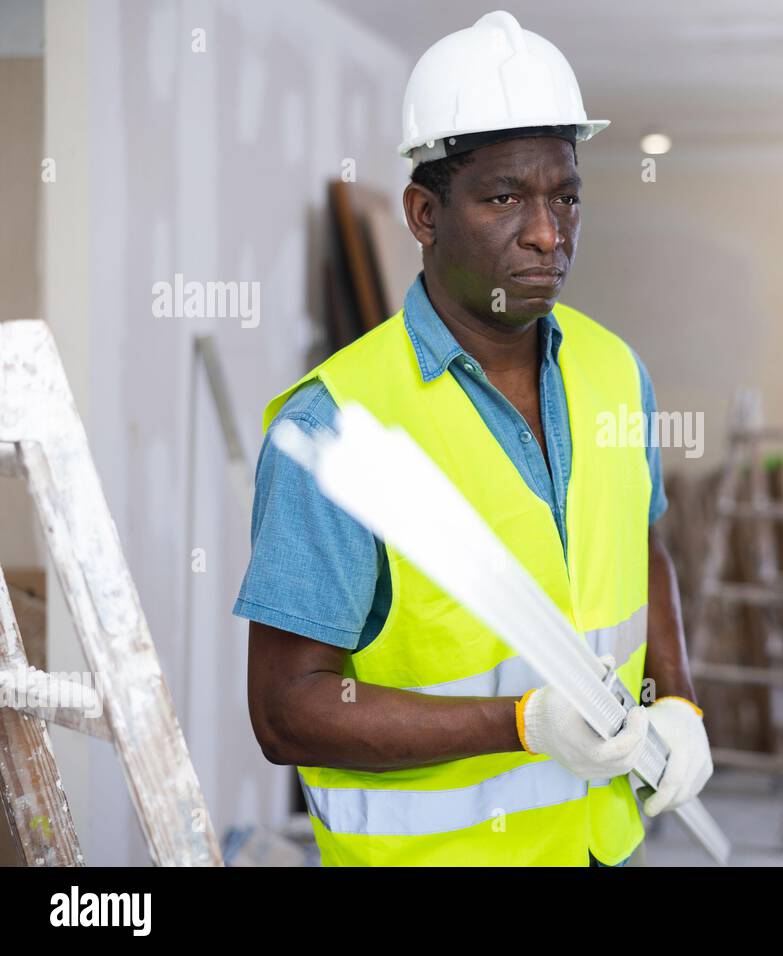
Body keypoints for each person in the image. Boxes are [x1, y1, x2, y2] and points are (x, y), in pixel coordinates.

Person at [234, 11, 712, 866]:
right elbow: (286, 710)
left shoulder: (614, 371)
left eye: (564, 196)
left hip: (601, 848)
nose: (546, 232)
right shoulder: (336, 426)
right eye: (504, 198)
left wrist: (681, 702)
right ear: (424, 213)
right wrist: (523, 724)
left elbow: (641, 545)